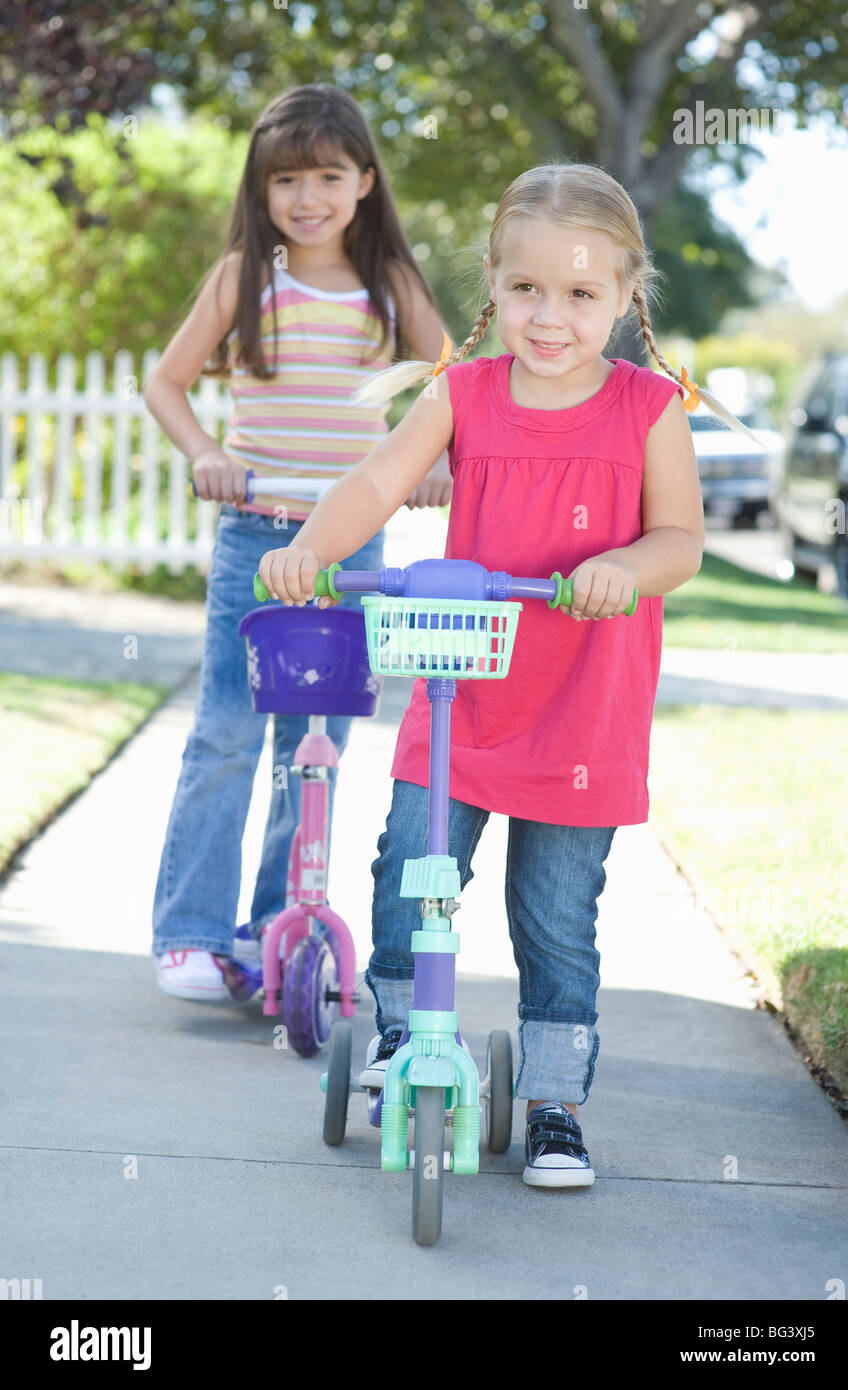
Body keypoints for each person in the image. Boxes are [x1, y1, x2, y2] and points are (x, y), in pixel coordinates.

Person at [258, 162, 747, 1188]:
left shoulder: (648, 407)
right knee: (411, 867)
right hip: (464, 693)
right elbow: (375, 482)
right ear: (492, 283)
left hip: (583, 708)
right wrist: (311, 548)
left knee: (555, 915)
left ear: (625, 296)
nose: (549, 316)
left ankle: (553, 1104)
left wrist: (624, 567)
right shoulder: (463, 394)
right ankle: (403, 1033)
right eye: (526, 288)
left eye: (579, 292)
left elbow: (681, 541)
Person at [145, 84, 453, 1000]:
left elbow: (454, 388)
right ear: (261, 189)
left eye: (326, 176)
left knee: (314, 743)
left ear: (364, 181)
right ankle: (191, 935)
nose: (307, 197)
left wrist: (440, 459)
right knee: (227, 733)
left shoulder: (390, 284)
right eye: (285, 180)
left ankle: (280, 926)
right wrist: (205, 452)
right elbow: (164, 383)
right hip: (257, 536)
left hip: (351, 553)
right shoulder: (245, 276)